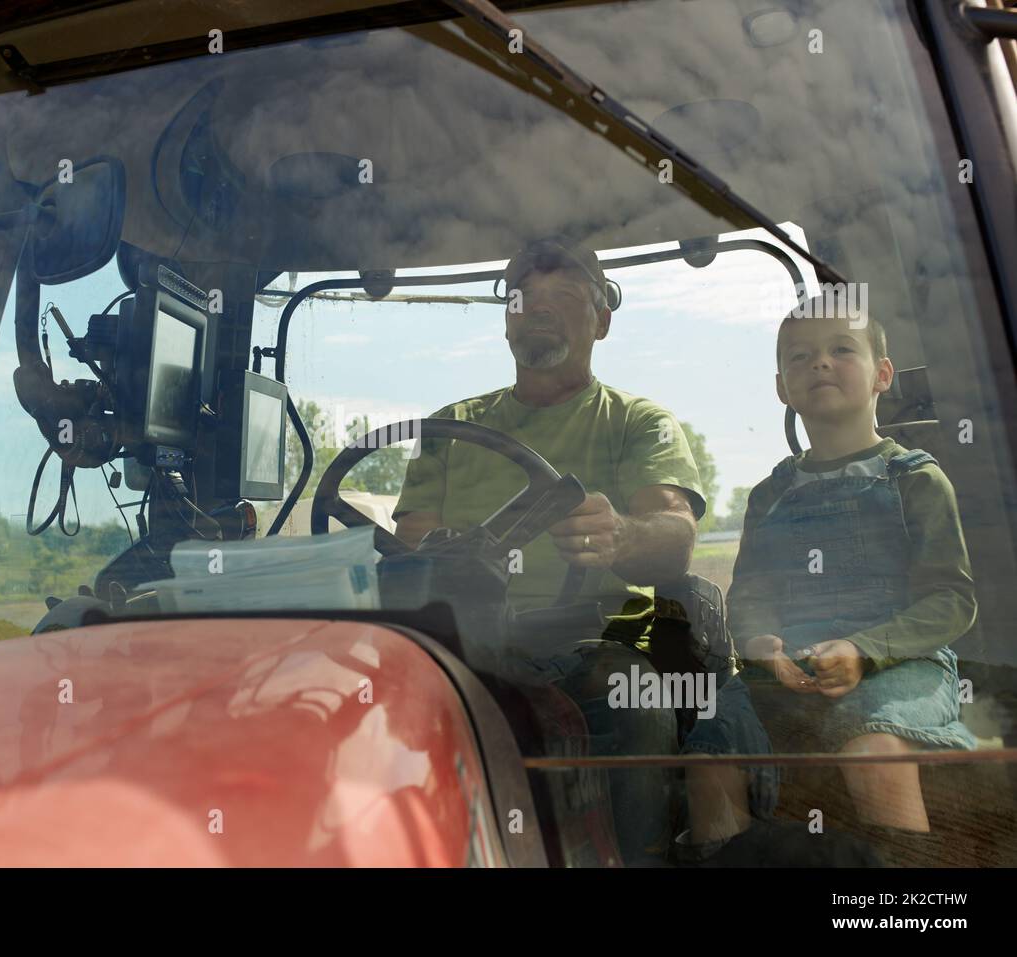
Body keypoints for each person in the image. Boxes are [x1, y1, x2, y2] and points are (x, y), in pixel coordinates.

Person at [391, 234, 706, 865]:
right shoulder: (452, 426)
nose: (536, 308)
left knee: (637, 699)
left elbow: (674, 536)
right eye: (523, 297)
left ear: (603, 321)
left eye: (563, 295)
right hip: (462, 644)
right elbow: (406, 547)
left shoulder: (637, 423)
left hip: (591, 638)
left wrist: (623, 534)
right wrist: (443, 555)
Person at [724, 295, 977, 867]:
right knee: (710, 747)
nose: (820, 364)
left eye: (841, 349)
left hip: (905, 663)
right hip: (788, 671)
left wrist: (865, 649)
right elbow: (750, 596)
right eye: (800, 357)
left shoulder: (916, 479)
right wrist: (759, 644)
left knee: (872, 745)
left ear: (881, 374)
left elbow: (952, 600)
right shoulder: (770, 495)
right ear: (782, 388)